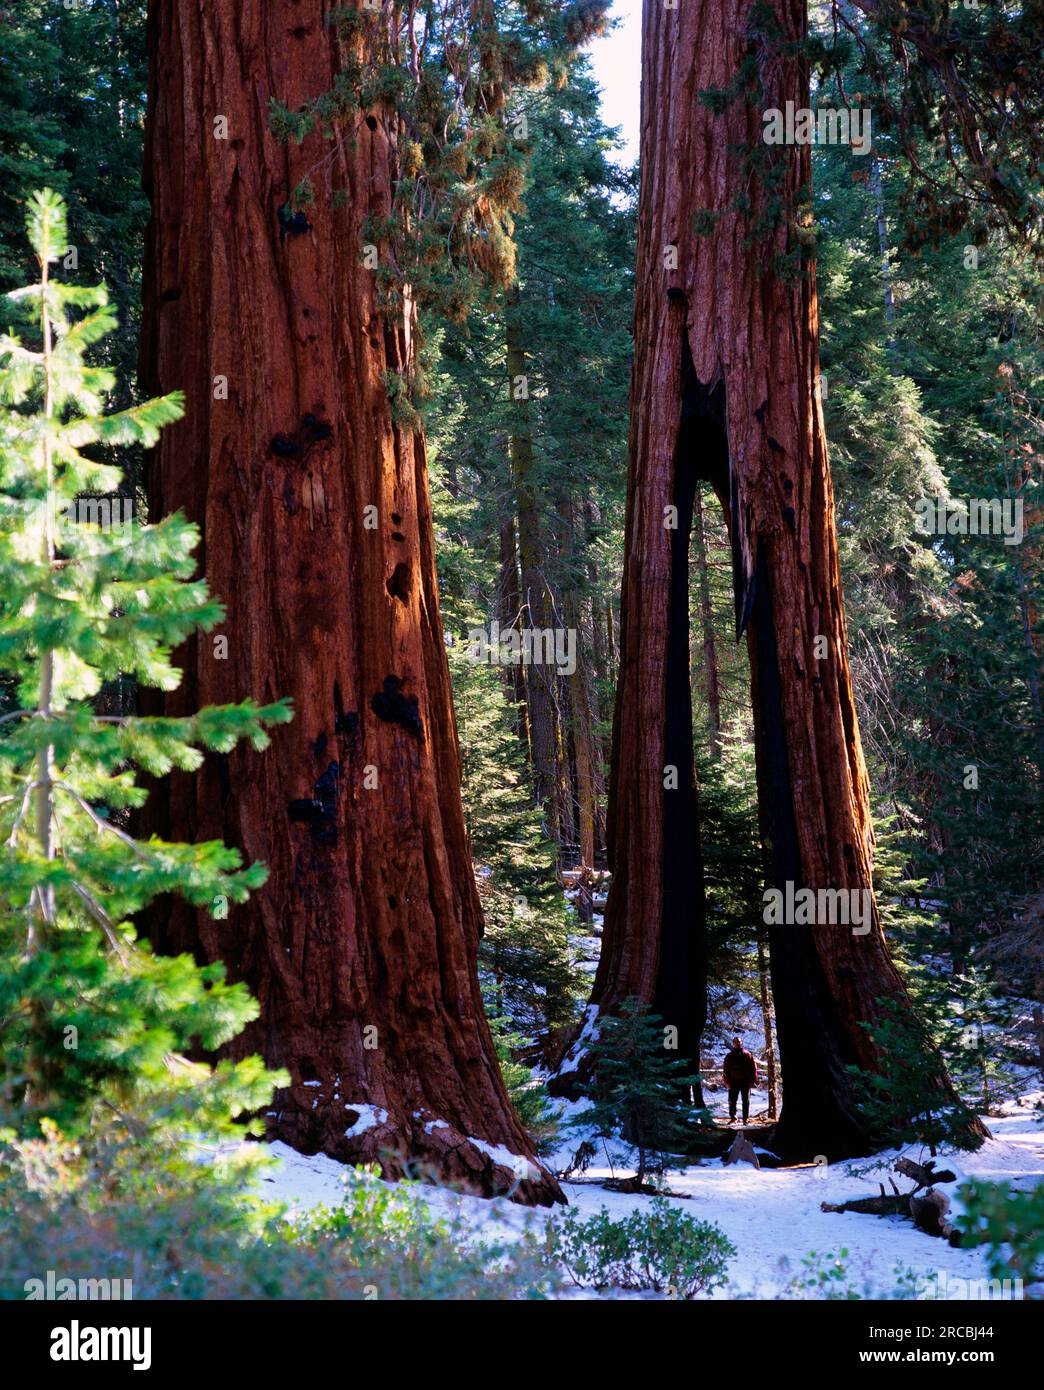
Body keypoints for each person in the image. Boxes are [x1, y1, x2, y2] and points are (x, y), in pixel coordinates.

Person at [723, 1037, 758, 1125]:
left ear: (741, 1043)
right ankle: (733, 1118)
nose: (737, 1043)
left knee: (745, 1101)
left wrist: (752, 1081)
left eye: (739, 1042)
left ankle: (745, 1119)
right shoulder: (729, 1056)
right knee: (732, 1100)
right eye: (735, 1042)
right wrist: (727, 1082)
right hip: (733, 1081)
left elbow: (753, 1069)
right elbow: (725, 1070)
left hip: (745, 1082)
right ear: (733, 1043)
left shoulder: (747, 1054)